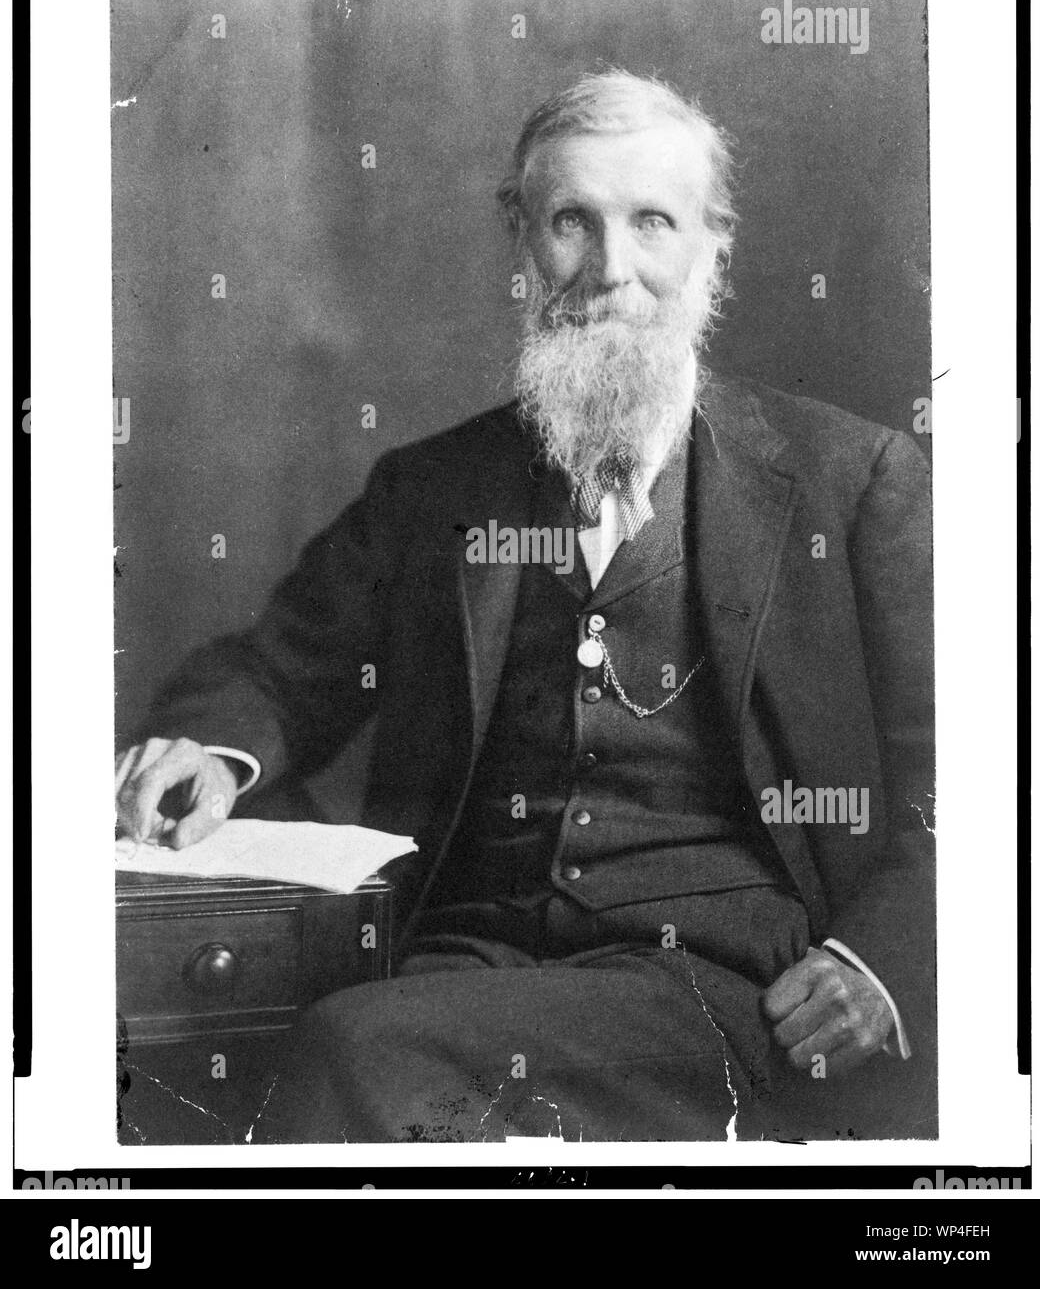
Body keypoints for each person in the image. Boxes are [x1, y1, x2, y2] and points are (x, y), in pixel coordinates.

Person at [116, 71, 935, 1142]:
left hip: (720, 983)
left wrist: (885, 961)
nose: (609, 270)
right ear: (521, 243)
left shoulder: (850, 477)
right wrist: (209, 752)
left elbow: (978, 771)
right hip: (467, 956)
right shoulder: (433, 489)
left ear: (711, 248)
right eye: (569, 223)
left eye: (651, 222)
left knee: (354, 1051)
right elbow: (276, 668)